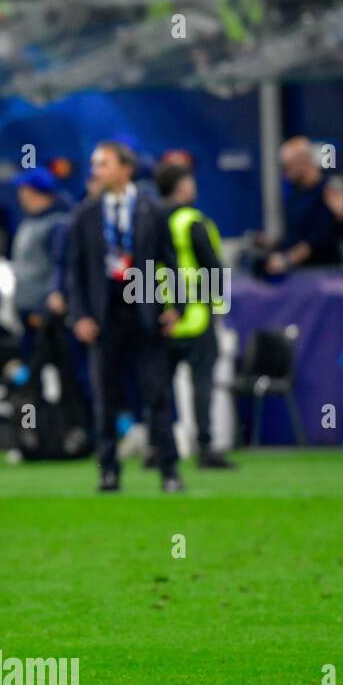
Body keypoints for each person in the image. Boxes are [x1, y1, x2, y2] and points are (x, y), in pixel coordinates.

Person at [67, 141, 183, 493]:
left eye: (103, 164)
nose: (96, 171)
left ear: (125, 169)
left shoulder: (153, 209)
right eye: (94, 164)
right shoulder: (85, 213)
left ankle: (169, 471)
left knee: (157, 394)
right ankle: (108, 471)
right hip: (105, 316)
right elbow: (75, 270)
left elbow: (170, 260)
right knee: (105, 397)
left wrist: (174, 306)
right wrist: (80, 315)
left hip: (144, 310)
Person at [154, 163, 236, 470]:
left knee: (160, 387)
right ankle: (205, 447)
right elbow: (213, 268)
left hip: (162, 317)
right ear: (181, 186)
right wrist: (217, 308)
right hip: (196, 315)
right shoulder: (193, 221)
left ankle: (158, 447)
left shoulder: (152, 219)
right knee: (202, 384)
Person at [10, 167, 70, 359]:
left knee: (55, 361)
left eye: (23, 190)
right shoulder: (28, 222)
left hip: (44, 308)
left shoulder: (57, 224)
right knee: (30, 361)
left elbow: (59, 265)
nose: (20, 196)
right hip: (24, 303)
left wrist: (47, 302)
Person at [266, 136, 341, 275]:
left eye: (287, 167)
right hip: (297, 278)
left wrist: (286, 261)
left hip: (324, 276)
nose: (285, 174)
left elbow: (314, 243)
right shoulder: (295, 194)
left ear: (303, 162)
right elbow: (293, 235)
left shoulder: (327, 192)